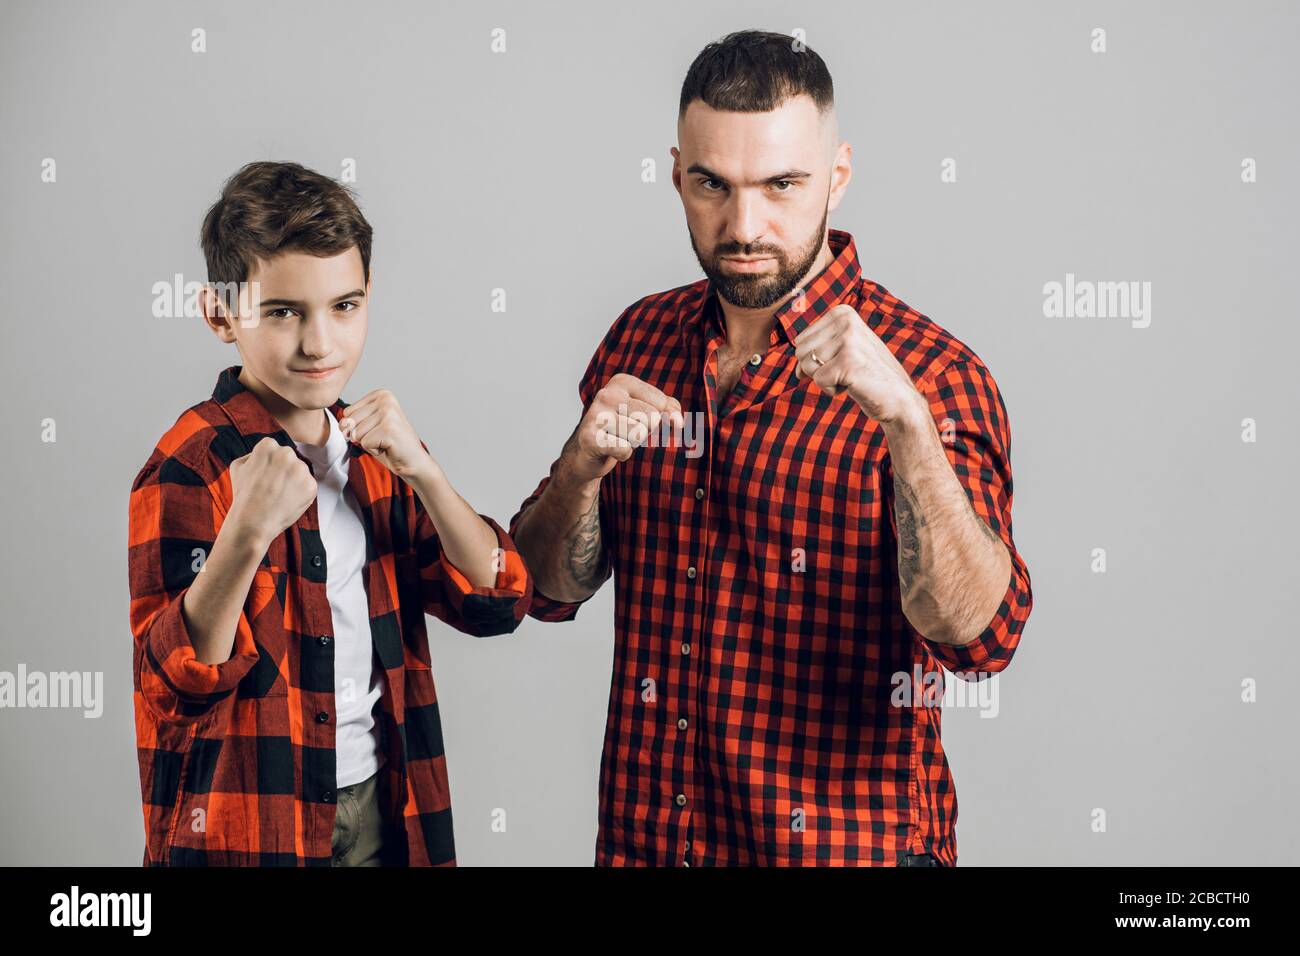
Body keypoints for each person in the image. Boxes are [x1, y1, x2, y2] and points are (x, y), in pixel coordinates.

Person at [510, 30, 1033, 866]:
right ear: (677, 173)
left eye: (782, 185)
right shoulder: (638, 340)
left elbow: (979, 640)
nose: (744, 224)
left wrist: (907, 427)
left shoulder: (930, 375)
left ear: (838, 175)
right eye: (713, 185)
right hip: (648, 846)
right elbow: (543, 588)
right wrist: (578, 471)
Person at [127, 161, 531, 866]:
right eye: (284, 312)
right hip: (252, 824)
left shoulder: (378, 455)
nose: (319, 344)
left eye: (344, 307)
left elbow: (497, 600)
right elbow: (176, 685)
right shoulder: (189, 465)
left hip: (385, 806)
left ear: (369, 297)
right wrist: (246, 532)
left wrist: (426, 473)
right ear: (221, 313)